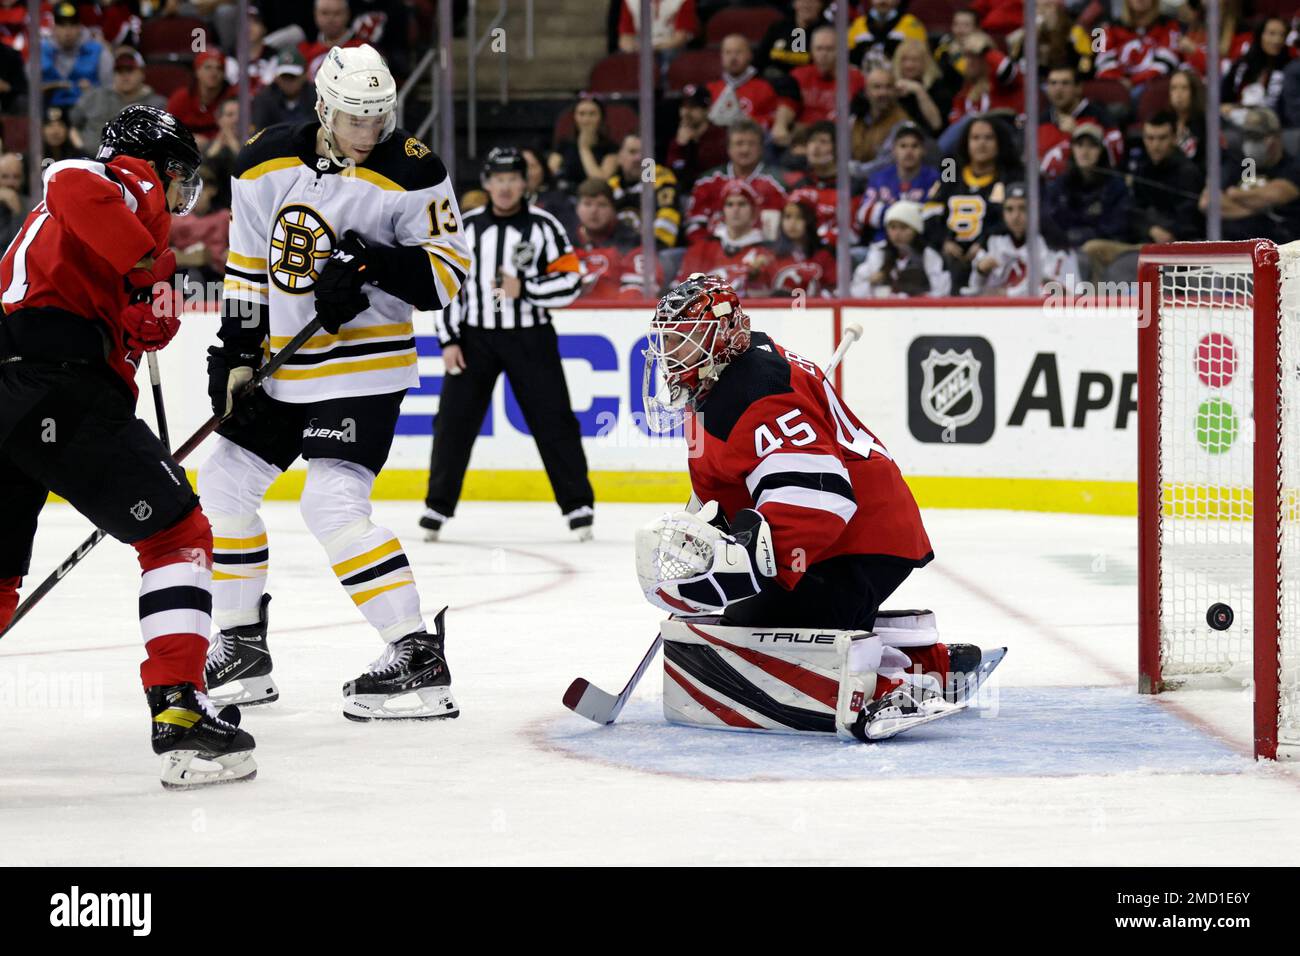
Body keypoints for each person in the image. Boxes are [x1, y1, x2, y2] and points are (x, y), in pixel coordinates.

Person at [199, 44, 470, 722]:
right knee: (225, 481)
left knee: (330, 503)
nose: (368, 133)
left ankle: (415, 654)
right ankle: (241, 648)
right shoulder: (262, 160)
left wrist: (374, 264)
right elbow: (244, 267)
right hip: (285, 364)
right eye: (354, 119)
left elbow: (447, 276)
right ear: (324, 108)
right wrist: (234, 351)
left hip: (364, 367)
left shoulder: (415, 170)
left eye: (377, 119)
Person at [0, 104, 256, 789]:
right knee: (178, 535)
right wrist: (148, 274)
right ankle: (178, 710)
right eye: (183, 181)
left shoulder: (100, 225)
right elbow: (71, 180)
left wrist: (135, 317)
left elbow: (107, 292)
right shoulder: (117, 180)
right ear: (162, 165)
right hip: (56, 390)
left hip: (18, 397)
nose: (179, 198)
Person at [639, 273, 956, 737]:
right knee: (740, 620)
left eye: (683, 341)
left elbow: (820, 496)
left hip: (860, 538)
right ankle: (928, 657)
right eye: (666, 341)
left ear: (723, 335)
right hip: (845, 539)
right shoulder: (718, 385)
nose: (670, 356)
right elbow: (728, 492)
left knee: (753, 629)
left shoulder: (758, 387)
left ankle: (898, 679)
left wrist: (752, 565)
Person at [422, 147, 592, 543]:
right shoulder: (466, 226)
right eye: (497, 179)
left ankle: (578, 505)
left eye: (512, 178)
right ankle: (437, 505)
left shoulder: (545, 227)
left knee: (554, 420)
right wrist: (448, 339)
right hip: (474, 338)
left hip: (530, 337)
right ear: (486, 183)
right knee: (452, 422)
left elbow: (571, 280)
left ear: (525, 183)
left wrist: (526, 289)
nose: (504, 186)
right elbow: (448, 286)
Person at [924, 115, 1020, 289]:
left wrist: (984, 242)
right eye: (975, 138)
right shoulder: (951, 173)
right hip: (947, 256)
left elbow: (1016, 218)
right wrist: (943, 241)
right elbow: (930, 213)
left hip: (992, 256)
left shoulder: (1010, 177)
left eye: (988, 138)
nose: (981, 144)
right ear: (966, 142)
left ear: (1000, 142)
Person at [1044, 122, 1134, 279]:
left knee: (1089, 252)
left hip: (1104, 248)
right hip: (1065, 248)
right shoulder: (1060, 185)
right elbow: (1049, 221)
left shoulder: (1116, 186)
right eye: (1080, 145)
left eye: (1092, 146)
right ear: (1072, 149)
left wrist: (1084, 235)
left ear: (1102, 151)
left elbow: (1118, 227)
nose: (1085, 152)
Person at [1203, 106, 1300, 245]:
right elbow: (1207, 202)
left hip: (1275, 248)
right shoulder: (1239, 164)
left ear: (1275, 137)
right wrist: (1261, 210)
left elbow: (1278, 193)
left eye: (1256, 137)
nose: (1251, 143)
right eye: (1247, 136)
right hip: (1229, 245)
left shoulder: (1292, 166)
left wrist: (1235, 195)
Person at [962, 183, 1082, 296]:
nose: (1015, 216)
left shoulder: (1054, 244)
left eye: (1023, 208)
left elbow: (1058, 290)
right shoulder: (993, 242)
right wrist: (980, 272)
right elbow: (974, 291)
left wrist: (1007, 295)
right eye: (1009, 209)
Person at [683, 119, 786, 245]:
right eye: (739, 143)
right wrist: (707, 250)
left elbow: (776, 231)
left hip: (758, 255)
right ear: (728, 148)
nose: (745, 150)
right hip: (713, 253)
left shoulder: (775, 183)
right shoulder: (708, 181)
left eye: (751, 144)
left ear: (761, 149)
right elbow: (694, 225)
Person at [677, 179, 774, 295]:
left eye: (742, 204)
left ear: (754, 211)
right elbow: (680, 290)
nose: (735, 209)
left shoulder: (766, 252)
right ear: (722, 211)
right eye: (730, 204)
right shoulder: (702, 249)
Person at [573, 177, 659, 300]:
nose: (594, 211)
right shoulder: (563, 241)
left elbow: (634, 296)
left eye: (602, 205)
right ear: (577, 208)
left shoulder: (632, 243)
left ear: (614, 210)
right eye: (587, 204)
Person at [71, 47, 165, 157]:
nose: (124, 76)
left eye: (130, 70)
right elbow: (73, 124)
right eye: (119, 71)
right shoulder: (94, 96)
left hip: (133, 167)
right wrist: (80, 146)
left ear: (142, 73)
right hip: (89, 160)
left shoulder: (157, 105)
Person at [856, 121, 939, 243]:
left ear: (923, 150)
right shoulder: (878, 178)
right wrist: (910, 214)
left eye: (914, 146)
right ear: (894, 150)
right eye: (903, 146)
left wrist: (887, 210)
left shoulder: (935, 178)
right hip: (882, 244)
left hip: (922, 245)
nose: (909, 151)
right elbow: (864, 213)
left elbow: (934, 215)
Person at [1037, 65, 1122, 179]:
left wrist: (1079, 132)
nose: (1058, 89)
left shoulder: (1099, 116)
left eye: (1065, 83)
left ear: (1078, 88)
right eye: (1053, 83)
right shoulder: (1041, 120)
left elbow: (1115, 155)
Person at [851, 200, 950, 298]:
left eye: (904, 228)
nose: (897, 233)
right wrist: (871, 282)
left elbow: (941, 291)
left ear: (916, 230)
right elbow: (856, 291)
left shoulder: (928, 255)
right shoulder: (878, 253)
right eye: (892, 227)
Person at [707, 34, 793, 140]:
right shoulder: (710, 89)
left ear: (749, 55)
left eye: (738, 52)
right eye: (728, 52)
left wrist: (751, 123)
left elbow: (774, 119)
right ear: (721, 57)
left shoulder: (765, 87)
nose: (733, 58)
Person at [607, 132, 681, 248]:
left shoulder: (660, 178)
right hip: (615, 253)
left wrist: (651, 248)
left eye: (644, 152)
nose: (638, 158)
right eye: (632, 152)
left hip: (652, 253)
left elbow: (666, 225)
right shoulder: (611, 185)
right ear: (620, 158)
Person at [1093, 0, 1181, 93]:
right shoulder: (1110, 27)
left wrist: (1134, 81)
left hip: (1152, 86)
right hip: (1117, 85)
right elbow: (1102, 60)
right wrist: (1119, 80)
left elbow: (1167, 61)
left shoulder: (1168, 25)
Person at [789, 25, 865, 128]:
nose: (824, 54)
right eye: (819, 49)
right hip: (803, 136)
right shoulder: (797, 76)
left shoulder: (856, 79)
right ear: (811, 51)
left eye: (829, 49)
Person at [40, 1, 112, 110]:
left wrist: (92, 91)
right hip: (49, 113)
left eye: (72, 25)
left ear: (80, 26)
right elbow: (29, 90)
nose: (67, 32)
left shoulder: (98, 50)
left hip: (87, 113)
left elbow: (110, 90)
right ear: (54, 27)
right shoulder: (40, 51)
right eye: (62, 25)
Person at [767, 196, 836, 297]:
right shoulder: (771, 257)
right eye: (787, 216)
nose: (792, 223)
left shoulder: (824, 257)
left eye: (799, 217)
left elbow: (834, 292)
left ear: (810, 220)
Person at [547, 96, 619, 192]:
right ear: (575, 117)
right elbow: (549, 174)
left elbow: (600, 181)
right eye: (581, 114)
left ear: (601, 118)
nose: (586, 120)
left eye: (592, 114)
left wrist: (584, 148)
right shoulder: (564, 145)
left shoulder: (611, 148)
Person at [665, 83, 728, 193]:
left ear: (707, 109)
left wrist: (692, 145)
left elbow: (708, 173)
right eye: (684, 106)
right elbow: (673, 174)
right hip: (683, 195)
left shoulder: (719, 136)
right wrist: (681, 146)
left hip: (714, 192)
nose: (686, 112)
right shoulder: (677, 139)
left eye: (693, 107)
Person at [1221, 17, 1292, 112]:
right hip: (1237, 118)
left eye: (1282, 35)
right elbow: (1224, 97)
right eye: (1271, 34)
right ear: (1260, 35)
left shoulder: (1290, 69)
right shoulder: (1242, 65)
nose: (1277, 40)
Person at [165, 50, 235, 144]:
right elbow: (169, 129)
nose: (214, 73)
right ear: (197, 71)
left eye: (219, 68)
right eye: (208, 67)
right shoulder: (181, 98)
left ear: (223, 74)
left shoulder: (232, 98)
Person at [850, 67, 910, 163]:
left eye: (888, 87)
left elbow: (885, 162)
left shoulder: (901, 123)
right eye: (877, 87)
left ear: (894, 91)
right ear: (866, 92)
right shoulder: (855, 120)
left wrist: (853, 171)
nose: (883, 92)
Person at [251, 48, 316, 132]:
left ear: (305, 76)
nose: (288, 82)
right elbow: (260, 134)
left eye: (293, 77)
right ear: (276, 78)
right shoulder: (265, 99)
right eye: (284, 77)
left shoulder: (317, 97)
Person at [848, 0, 927, 68]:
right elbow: (848, 63)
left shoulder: (912, 25)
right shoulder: (857, 25)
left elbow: (922, 61)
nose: (883, 1)